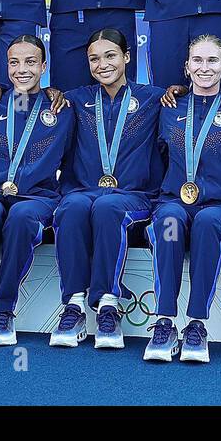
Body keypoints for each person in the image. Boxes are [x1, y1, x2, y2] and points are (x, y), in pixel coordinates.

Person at [145, 34, 221, 363]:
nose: (204, 67)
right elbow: (160, 155)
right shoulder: (169, 108)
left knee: (208, 222)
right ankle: (164, 322)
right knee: (168, 222)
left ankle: (196, 324)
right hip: (175, 202)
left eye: (212, 61)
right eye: (197, 60)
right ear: (186, 67)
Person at [49, 29, 165, 349]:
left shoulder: (154, 98)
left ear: (127, 57)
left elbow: (193, 99)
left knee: (107, 207)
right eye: (94, 59)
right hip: (84, 191)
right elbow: (33, 97)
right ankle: (73, 305)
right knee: (71, 206)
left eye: (110, 56)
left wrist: (181, 89)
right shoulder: (75, 100)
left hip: (133, 195)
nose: (102, 64)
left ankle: (108, 304)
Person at [0, 35, 75, 346]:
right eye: (14, 62)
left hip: (38, 196)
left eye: (30, 62)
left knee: (22, 216)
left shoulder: (62, 109)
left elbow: (70, 158)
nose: (22, 69)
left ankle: (4, 310)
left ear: (44, 66)